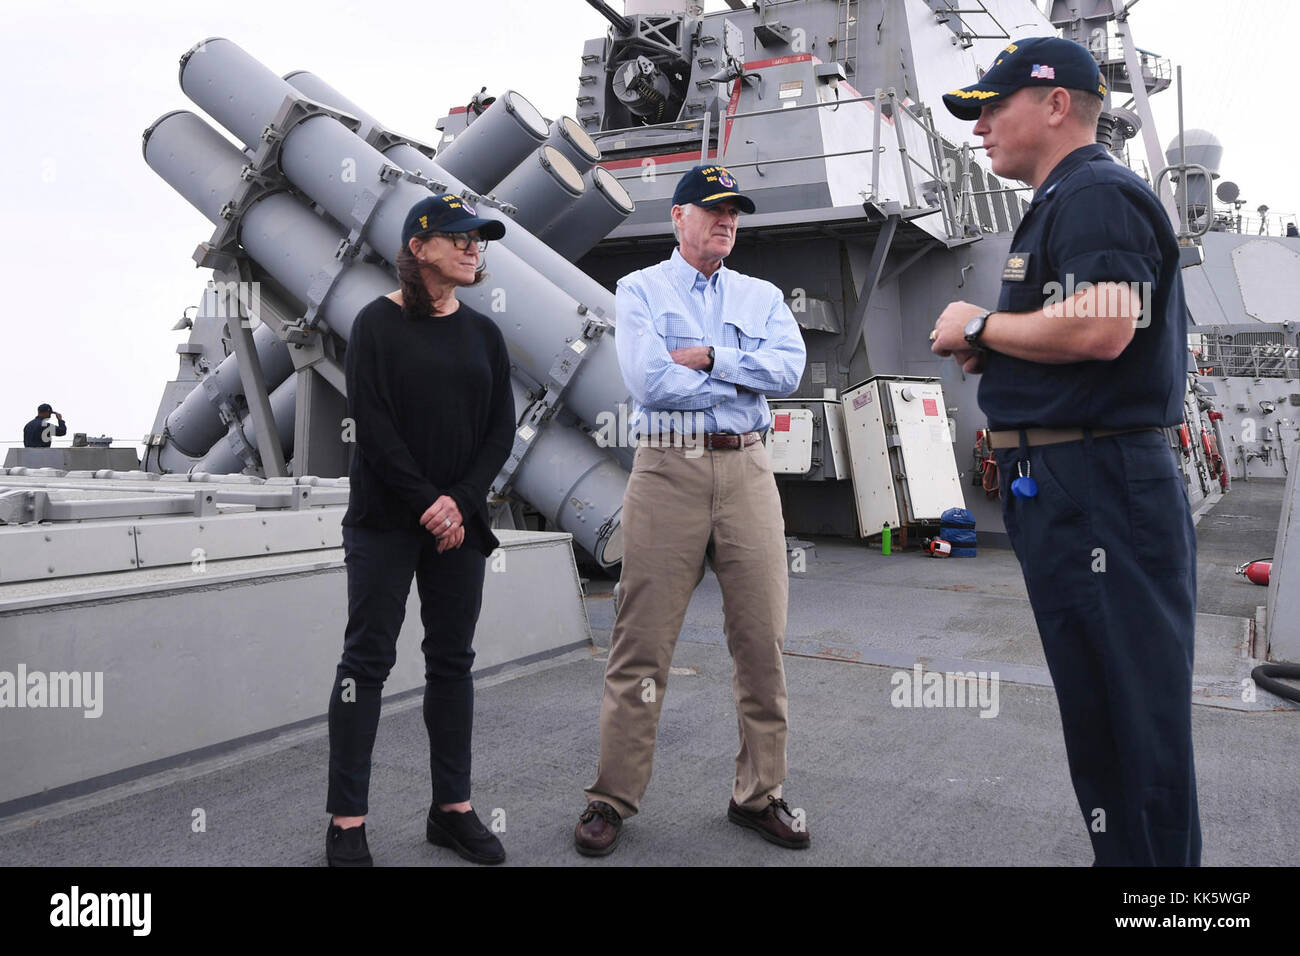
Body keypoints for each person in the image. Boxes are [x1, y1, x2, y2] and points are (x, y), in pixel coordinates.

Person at [932, 37, 1201, 865]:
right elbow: (1076, 325)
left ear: (1055, 105)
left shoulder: (1094, 192)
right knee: (1102, 720)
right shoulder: (1062, 201)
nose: (978, 128)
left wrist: (976, 325)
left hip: (1100, 487)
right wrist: (1006, 344)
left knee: (1131, 723)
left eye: (991, 107)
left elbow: (1103, 324)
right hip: (1069, 485)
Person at [574, 165, 808, 857]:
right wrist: (739, 370)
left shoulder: (761, 295)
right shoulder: (639, 289)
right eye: (711, 210)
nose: (725, 221)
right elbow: (648, 380)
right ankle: (611, 798)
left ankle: (759, 795)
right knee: (641, 642)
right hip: (667, 470)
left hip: (748, 468)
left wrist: (705, 357)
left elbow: (789, 370)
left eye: (733, 211)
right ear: (678, 219)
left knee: (761, 641)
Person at [325, 193, 516, 867]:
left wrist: (459, 503)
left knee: (452, 662)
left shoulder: (485, 335)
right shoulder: (375, 325)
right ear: (419, 248)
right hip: (385, 522)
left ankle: (452, 810)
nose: (472, 247)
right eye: (459, 237)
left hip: (458, 526)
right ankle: (347, 821)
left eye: (478, 240)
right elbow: (372, 426)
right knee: (366, 663)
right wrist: (427, 503)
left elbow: (501, 431)